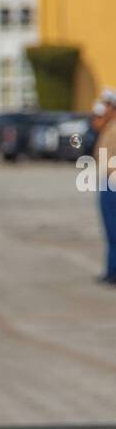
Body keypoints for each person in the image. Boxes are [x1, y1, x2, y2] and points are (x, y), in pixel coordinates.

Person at [91, 88, 116, 285]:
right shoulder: (109, 127)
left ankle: (113, 272)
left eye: (106, 106)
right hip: (107, 180)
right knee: (110, 230)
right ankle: (111, 270)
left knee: (114, 230)